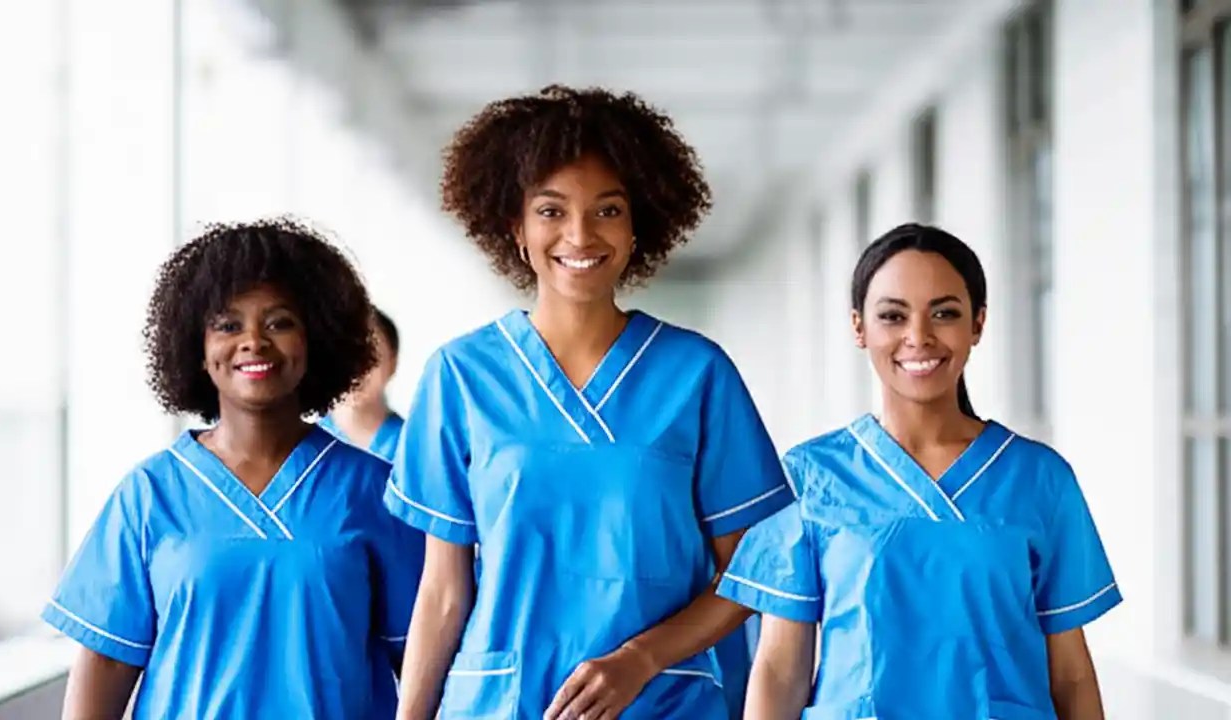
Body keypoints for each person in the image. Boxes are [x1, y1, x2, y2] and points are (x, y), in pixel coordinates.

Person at [384, 85, 792, 720]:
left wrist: (642, 658)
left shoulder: (696, 375)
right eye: (551, 211)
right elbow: (442, 589)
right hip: (502, 700)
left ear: (637, 228)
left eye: (608, 210)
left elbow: (752, 573)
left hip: (665, 700)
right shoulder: (461, 377)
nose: (579, 233)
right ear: (515, 228)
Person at [717, 223, 1120, 719]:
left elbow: (1071, 673)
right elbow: (780, 669)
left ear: (977, 323)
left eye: (944, 313)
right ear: (859, 328)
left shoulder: (1039, 478)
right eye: (892, 315)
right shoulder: (810, 474)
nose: (918, 337)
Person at [42, 218, 425, 719]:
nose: (254, 341)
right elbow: (107, 664)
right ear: (197, 348)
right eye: (228, 325)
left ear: (316, 341)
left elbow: (421, 658)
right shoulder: (150, 494)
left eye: (279, 322)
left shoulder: (373, 491)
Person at [320, 305, 405, 462]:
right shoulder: (301, 445)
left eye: (370, 353)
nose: (356, 367)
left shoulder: (413, 450)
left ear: (393, 363)